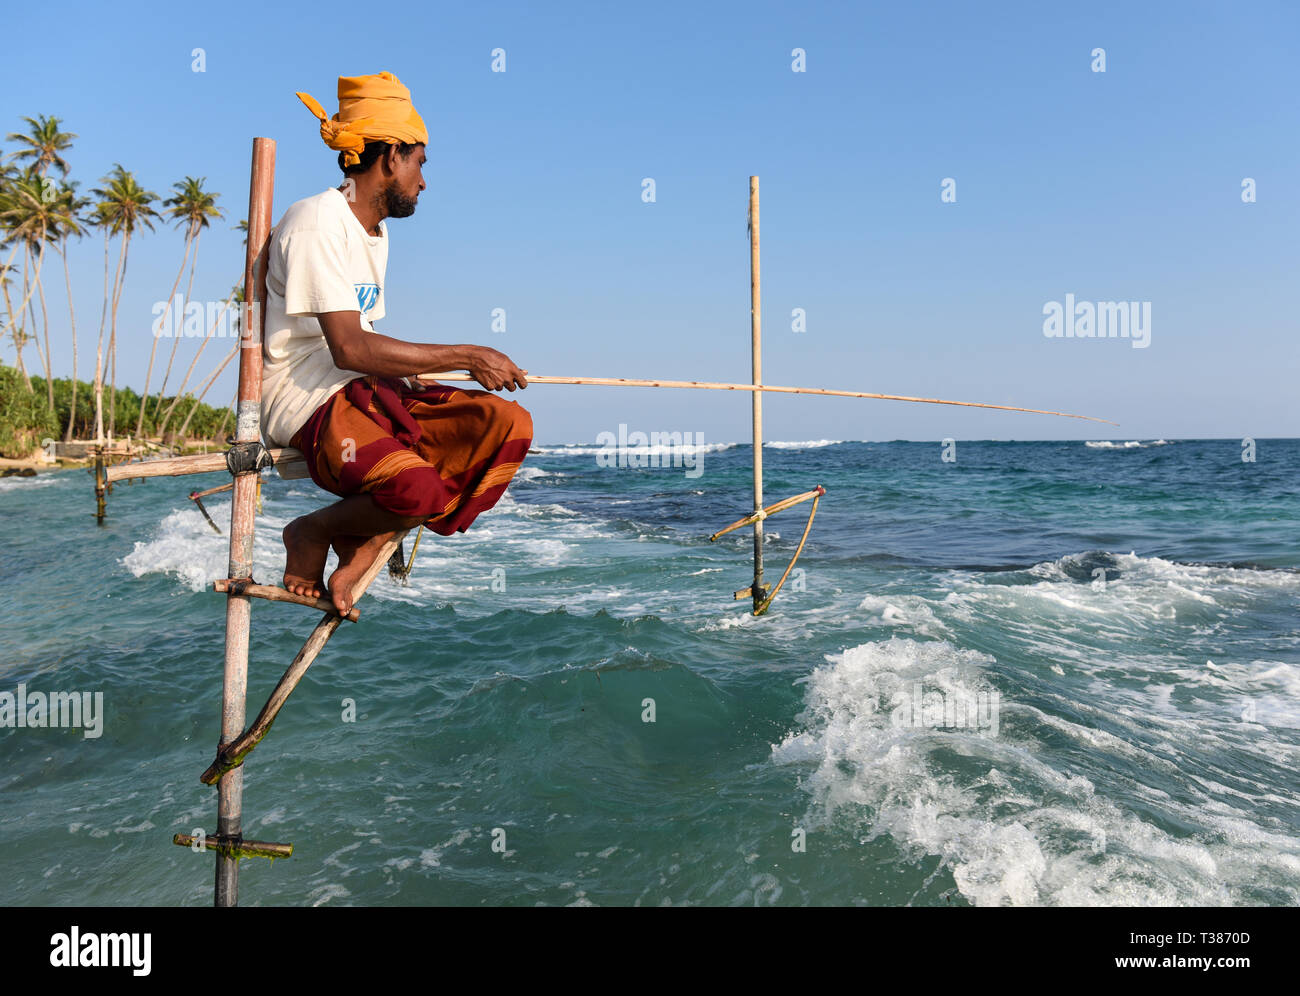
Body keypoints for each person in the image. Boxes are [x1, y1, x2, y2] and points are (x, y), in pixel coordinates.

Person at [261, 71, 531, 616]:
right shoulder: (316, 222)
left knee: (505, 425)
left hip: (357, 385)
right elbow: (349, 348)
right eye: (420, 162)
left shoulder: (374, 234)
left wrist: (409, 375)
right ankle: (313, 532)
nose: (423, 180)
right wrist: (467, 355)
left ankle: (371, 532)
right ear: (389, 158)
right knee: (419, 491)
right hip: (305, 398)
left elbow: (367, 340)